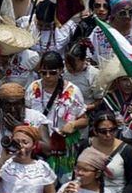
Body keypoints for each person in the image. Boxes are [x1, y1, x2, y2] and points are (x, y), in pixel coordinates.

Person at [26, 51, 87, 184]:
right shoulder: (33, 87)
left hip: (63, 146)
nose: (47, 77)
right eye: (43, 72)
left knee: (64, 184)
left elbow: (84, 119)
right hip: (39, 146)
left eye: (52, 72)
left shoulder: (73, 91)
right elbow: (25, 114)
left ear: (60, 71)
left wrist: (73, 125)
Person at [42, 147, 121, 193]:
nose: (79, 173)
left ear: (97, 174)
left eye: (85, 170)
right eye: (77, 168)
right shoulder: (67, 188)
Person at [87, 112, 132, 193]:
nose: (108, 135)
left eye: (112, 130)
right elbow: (77, 173)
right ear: (95, 131)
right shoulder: (86, 146)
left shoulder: (126, 150)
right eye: (103, 131)